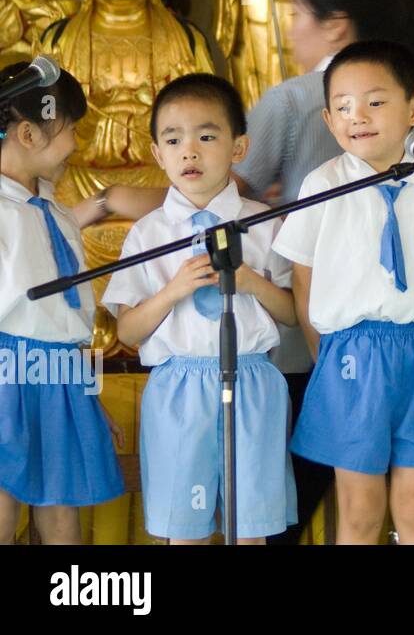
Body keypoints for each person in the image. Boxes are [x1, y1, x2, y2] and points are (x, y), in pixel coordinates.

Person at [272, 41, 414, 544]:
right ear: (327, 117)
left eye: (375, 102)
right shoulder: (322, 184)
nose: (356, 117)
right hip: (350, 355)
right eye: (342, 107)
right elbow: (303, 274)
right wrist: (323, 348)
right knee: (360, 511)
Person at [103, 74, 296, 543]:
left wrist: (249, 281)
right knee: (183, 530)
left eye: (207, 136)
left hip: (252, 382)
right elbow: (127, 330)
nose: (189, 151)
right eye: (174, 139)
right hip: (178, 386)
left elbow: (291, 313)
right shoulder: (147, 233)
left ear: (238, 146)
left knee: (251, 530)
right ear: (157, 153)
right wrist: (173, 291)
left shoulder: (265, 224)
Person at [0, 64, 123, 543]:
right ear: (28, 133)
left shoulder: (58, 213)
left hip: (61, 374)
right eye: (70, 129)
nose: (76, 143)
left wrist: (87, 394)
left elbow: (74, 318)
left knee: (61, 513)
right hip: (8, 371)